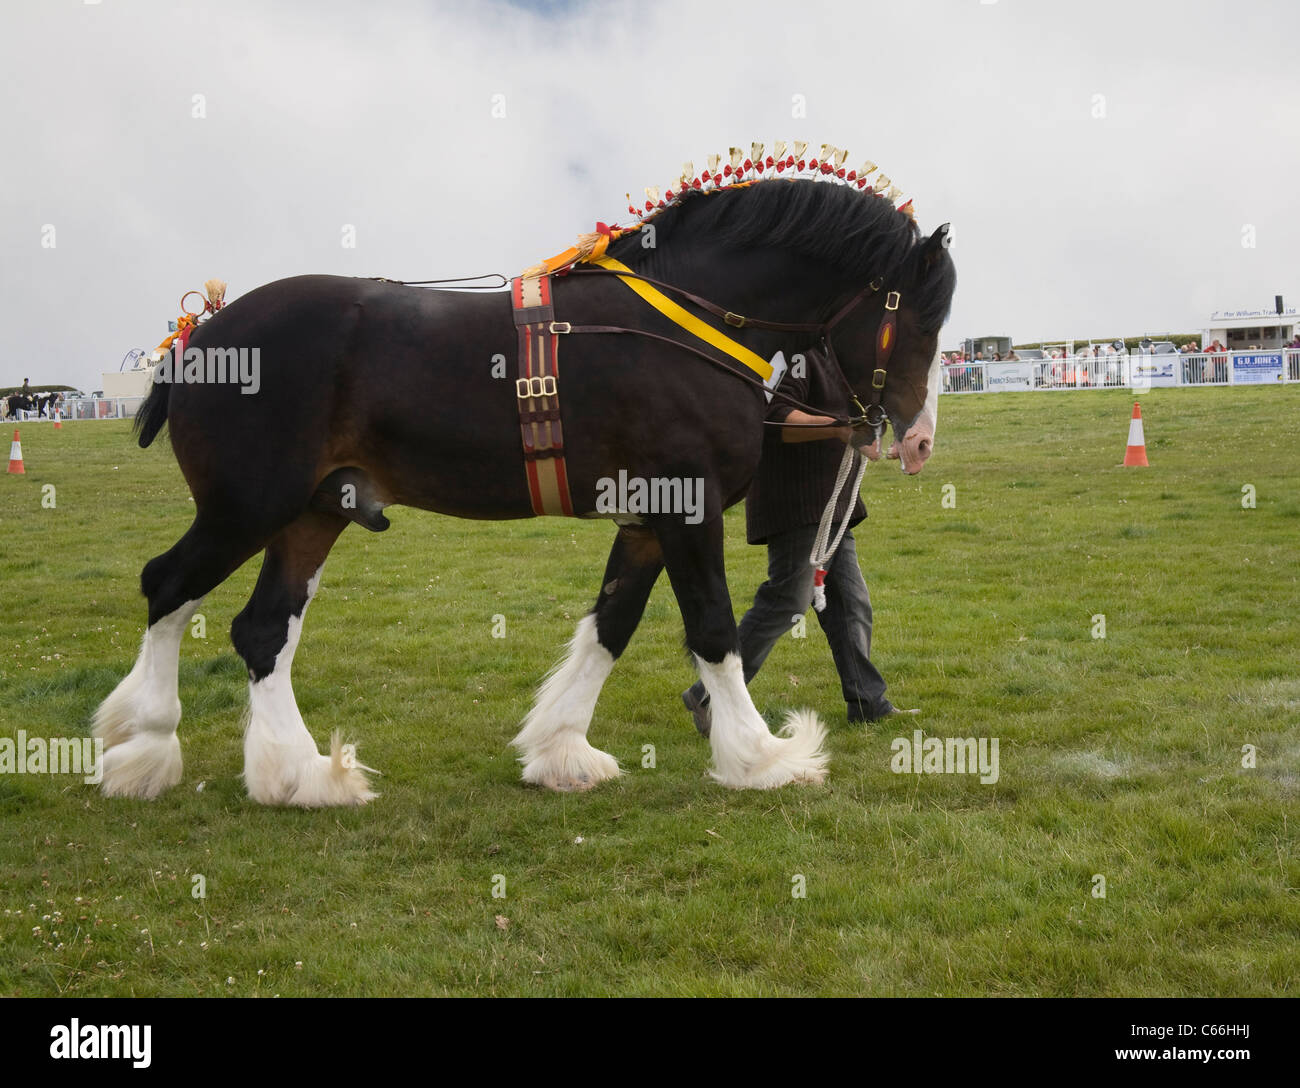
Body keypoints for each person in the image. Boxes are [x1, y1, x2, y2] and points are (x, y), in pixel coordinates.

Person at [681, 347, 913, 736]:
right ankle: (709, 694)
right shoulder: (795, 352)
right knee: (786, 602)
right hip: (798, 503)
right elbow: (774, 419)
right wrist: (840, 428)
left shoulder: (840, 356)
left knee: (848, 603)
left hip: (829, 505)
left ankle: (867, 701)